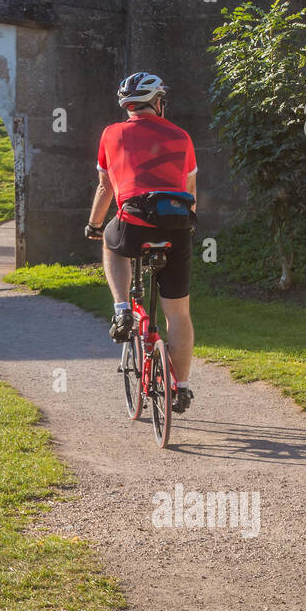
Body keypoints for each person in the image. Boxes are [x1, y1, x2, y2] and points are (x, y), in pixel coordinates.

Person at [84, 72, 197, 413]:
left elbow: (105, 188)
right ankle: (180, 387)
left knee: (110, 241)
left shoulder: (111, 134)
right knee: (178, 314)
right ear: (158, 103)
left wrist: (93, 224)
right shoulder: (182, 136)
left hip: (133, 223)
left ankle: (121, 309)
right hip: (176, 229)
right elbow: (190, 194)